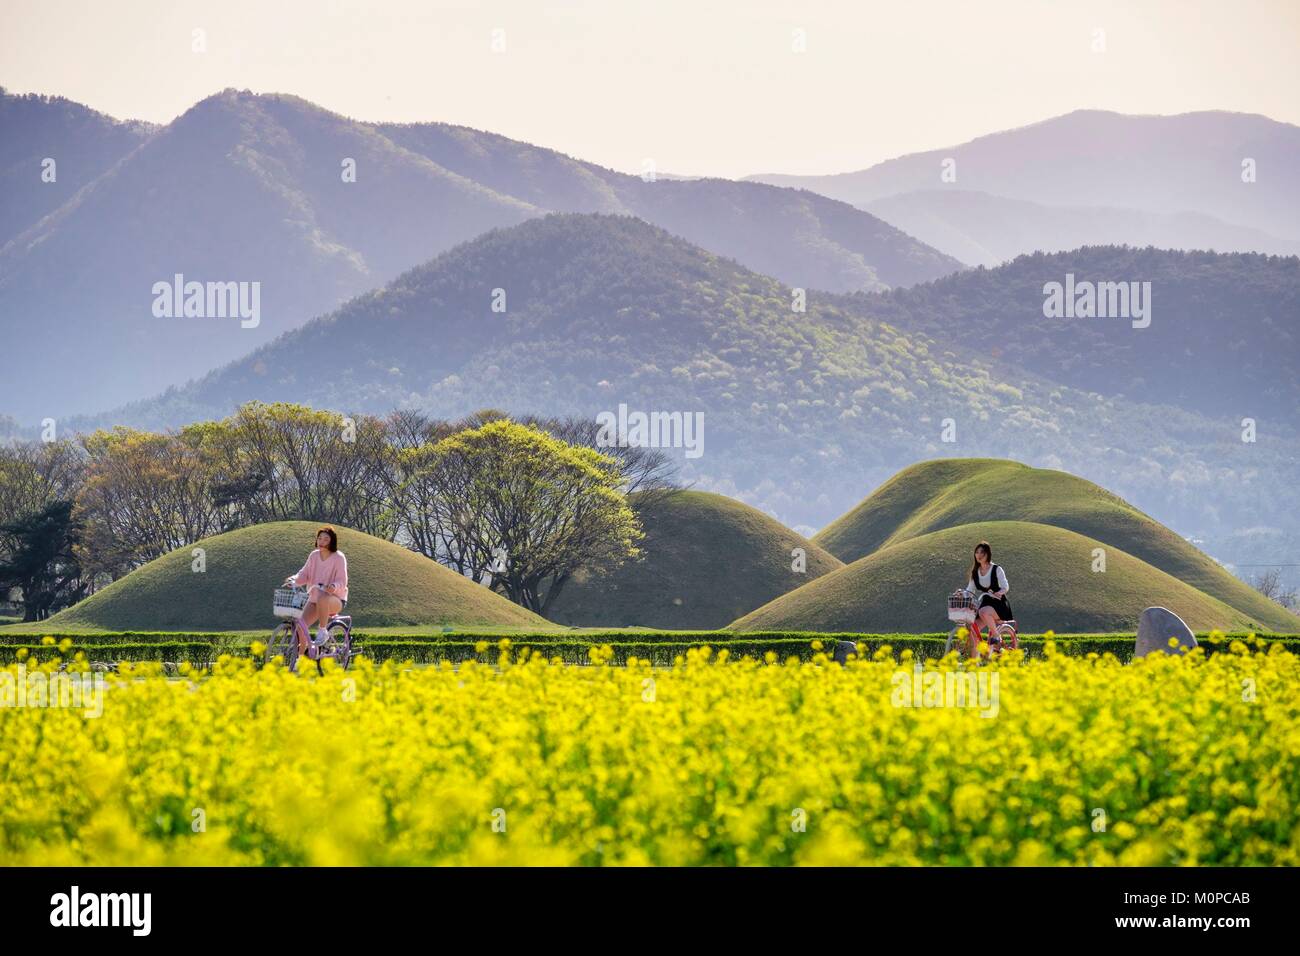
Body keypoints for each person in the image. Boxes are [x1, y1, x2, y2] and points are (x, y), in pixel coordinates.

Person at [284, 526, 349, 656]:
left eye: (326, 539)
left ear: (332, 541)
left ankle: (323, 630)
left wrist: (333, 586)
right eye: (319, 538)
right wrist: (293, 579)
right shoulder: (314, 556)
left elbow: (342, 581)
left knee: (323, 597)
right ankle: (300, 658)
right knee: (300, 626)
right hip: (314, 599)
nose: (322, 542)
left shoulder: (338, 557)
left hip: (335, 599)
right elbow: (304, 573)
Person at [963, 541, 1012, 653]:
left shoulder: (996, 569)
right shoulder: (975, 572)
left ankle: (996, 636)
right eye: (977, 552)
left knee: (983, 612)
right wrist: (962, 594)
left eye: (982, 552)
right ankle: (975, 663)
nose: (979, 555)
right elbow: (970, 590)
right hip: (985, 603)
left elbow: (1006, 586)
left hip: (999, 605)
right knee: (972, 631)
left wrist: (999, 592)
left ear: (988, 554)